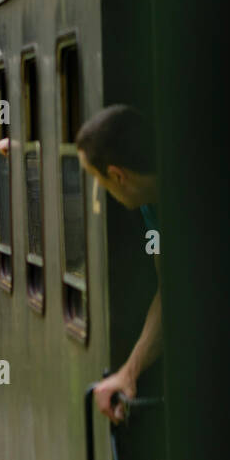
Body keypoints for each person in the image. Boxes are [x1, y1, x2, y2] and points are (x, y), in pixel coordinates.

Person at [74, 104, 161, 422]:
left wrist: (129, 370)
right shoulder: (151, 205)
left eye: (99, 180)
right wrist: (130, 372)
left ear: (117, 175)